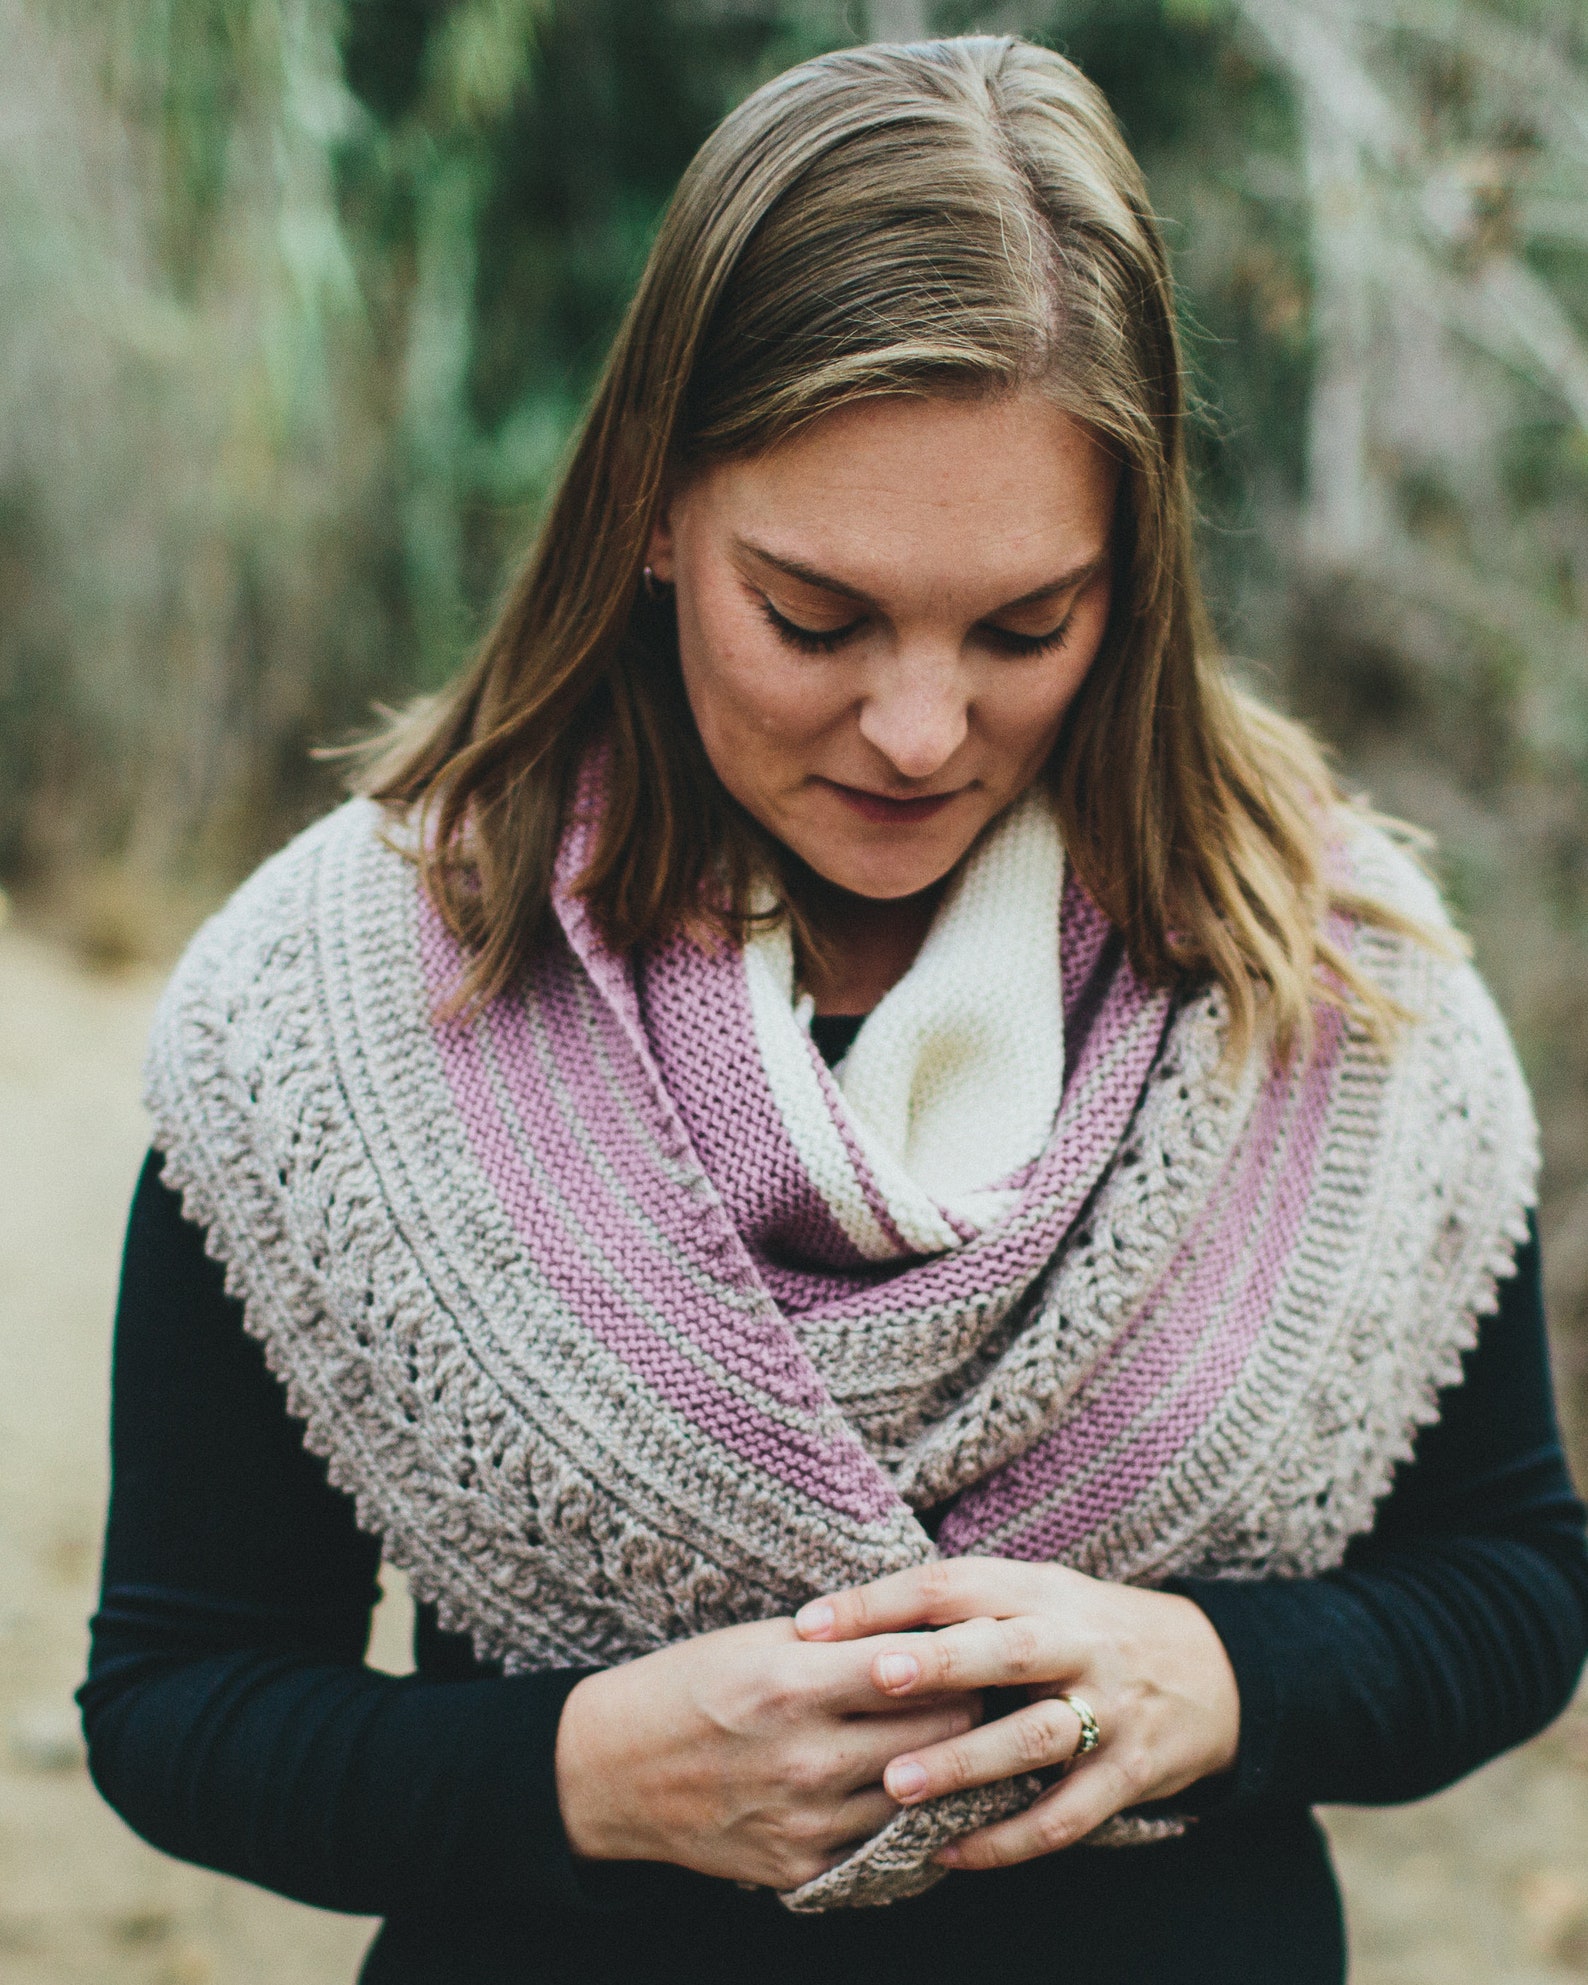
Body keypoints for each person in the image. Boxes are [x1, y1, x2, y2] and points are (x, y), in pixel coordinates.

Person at [81, 34, 1587, 1985]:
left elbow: (1509, 1583)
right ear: (648, 510)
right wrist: (566, 1775)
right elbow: (181, 1696)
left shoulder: (1328, 979)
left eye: (1023, 626)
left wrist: (1223, 1676)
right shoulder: (343, 1013)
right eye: (813, 617)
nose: (915, 727)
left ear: (1132, 575)